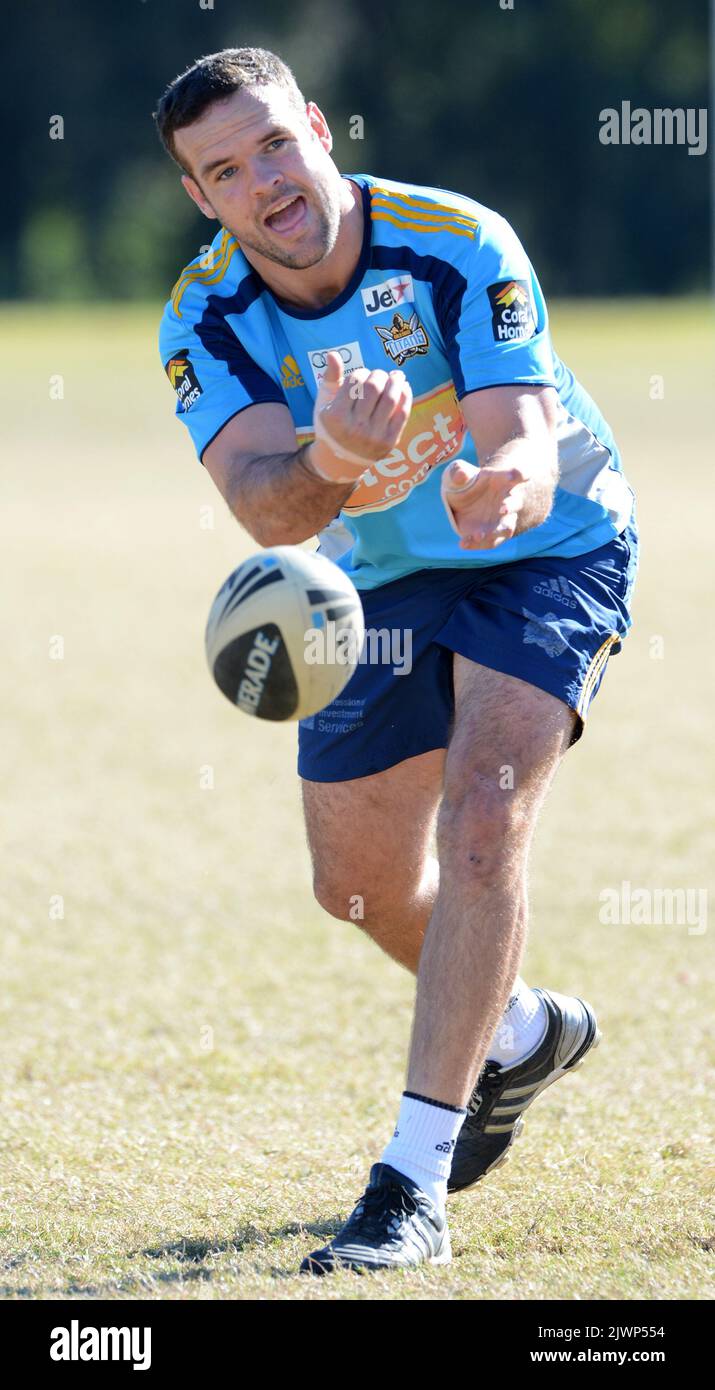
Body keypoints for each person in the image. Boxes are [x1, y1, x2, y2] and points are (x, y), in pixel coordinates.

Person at [155, 46, 638, 1274]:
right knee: (358, 884)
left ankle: (407, 1185)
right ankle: (519, 1030)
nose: (264, 180)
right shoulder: (205, 315)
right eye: (225, 170)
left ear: (317, 127)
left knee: (485, 813)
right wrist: (326, 459)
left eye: (273, 143)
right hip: (376, 578)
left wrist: (503, 490)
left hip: (548, 544)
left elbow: (523, 437)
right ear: (202, 199)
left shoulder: (453, 239)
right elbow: (268, 511)